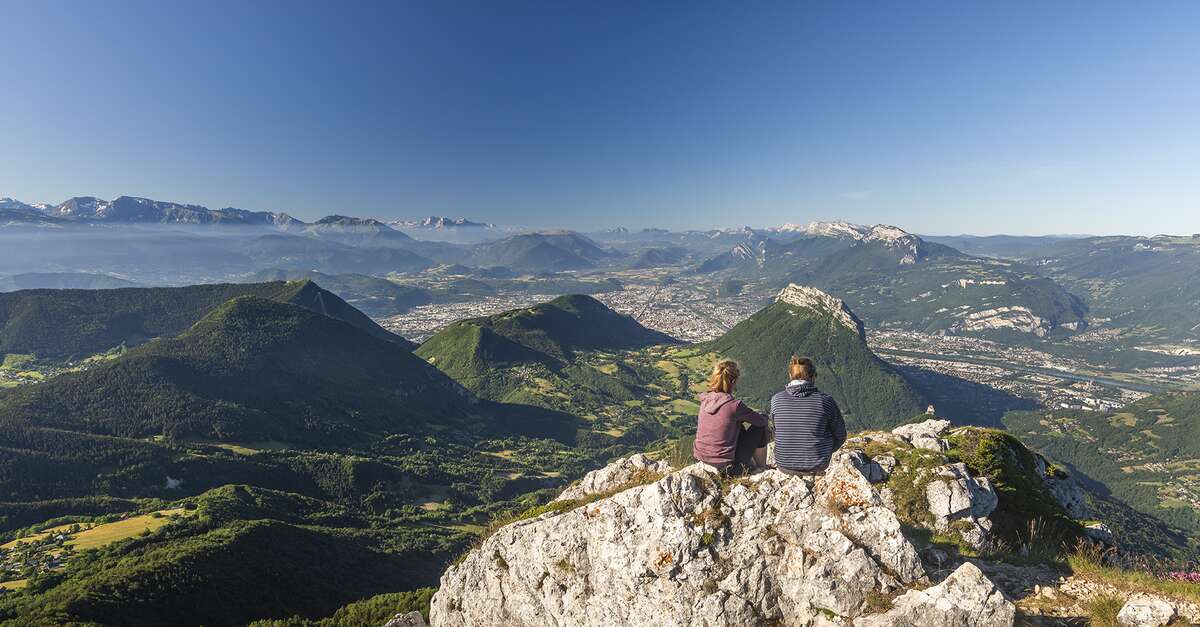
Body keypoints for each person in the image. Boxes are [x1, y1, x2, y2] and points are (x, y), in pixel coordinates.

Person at [770, 357, 846, 476]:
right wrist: (824, 452)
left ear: (790, 376)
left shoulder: (776, 399)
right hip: (817, 465)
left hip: (784, 464)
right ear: (813, 377)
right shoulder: (825, 401)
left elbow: (776, 430)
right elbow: (840, 435)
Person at [693, 359, 771, 475]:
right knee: (759, 428)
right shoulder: (735, 406)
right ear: (733, 381)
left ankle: (753, 465)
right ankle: (761, 469)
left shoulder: (705, 401)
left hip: (699, 461)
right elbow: (760, 422)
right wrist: (763, 415)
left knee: (738, 427)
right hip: (726, 469)